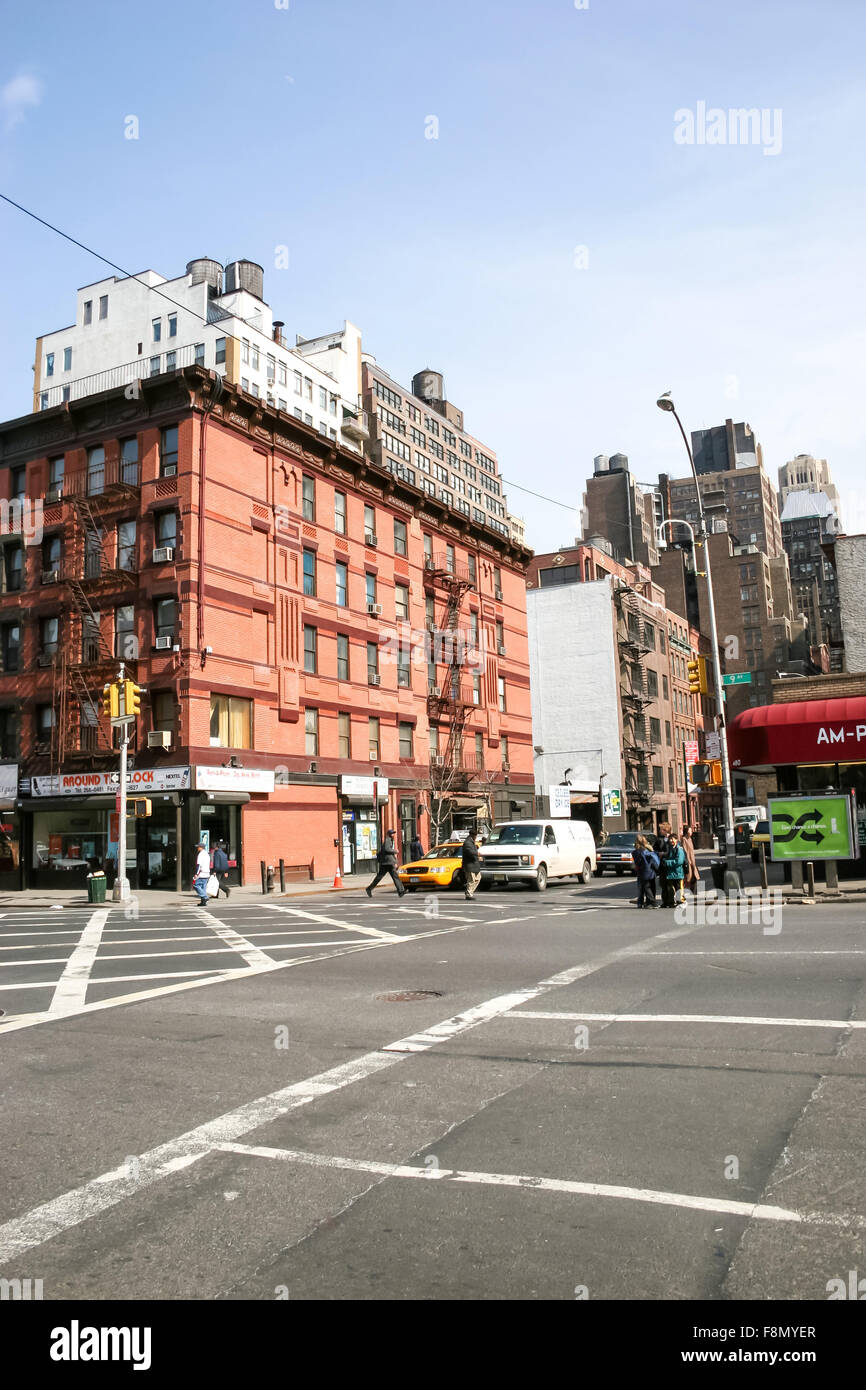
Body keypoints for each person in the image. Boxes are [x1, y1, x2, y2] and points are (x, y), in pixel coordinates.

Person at [366, 830, 405, 898]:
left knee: (394, 876)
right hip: (387, 862)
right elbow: (387, 849)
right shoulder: (388, 840)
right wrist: (395, 851)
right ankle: (369, 889)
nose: (393, 835)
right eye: (392, 833)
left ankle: (401, 891)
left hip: (389, 862)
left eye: (393, 833)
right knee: (380, 877)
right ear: (389, 834)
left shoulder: (390, 840)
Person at [631, 835, 660, 908]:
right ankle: (651, 902)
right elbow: (653, 861)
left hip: (642, 871)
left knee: (644, 888)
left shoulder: (635, 852)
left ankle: (645, 902)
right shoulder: (648, 851)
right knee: (651, 887)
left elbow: (637, 863)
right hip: (651, 871)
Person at [661, 832, 686, 908]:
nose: (671, 840)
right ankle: (672, 902)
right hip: (671, 873)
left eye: (673, 839)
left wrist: (667, 862)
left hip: (678, 873)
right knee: (672, 889)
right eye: (670, 839)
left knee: (679, 888)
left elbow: (679, 861)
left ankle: (681, 902)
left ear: (677, 840)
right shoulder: (671, 848)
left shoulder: (679, 849)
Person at [461, 833, 484, 900]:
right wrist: (477, 854)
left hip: (474, 864)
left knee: (478, 878)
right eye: (476, 836)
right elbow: (469, 852)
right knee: (471, 880)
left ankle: (469, 891)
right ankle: (469, 894)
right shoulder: (467, 842)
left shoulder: (471, 842)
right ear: (473, 835)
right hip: (469, 864)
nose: (476, 837)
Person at [680, 826, 700, 896]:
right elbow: (685, 851)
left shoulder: (690, 839)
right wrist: (688, 862)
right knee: (688, 878)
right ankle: (685, 893)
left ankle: (693, 892)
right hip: (688, 862)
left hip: (692, 861)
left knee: (694, 877)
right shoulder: (684, 839)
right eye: (690, 831)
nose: (691, 832)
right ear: (687, 832)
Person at [193, 841, 212, 906]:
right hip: (207, 873)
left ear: (201, 847)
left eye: (198, 847)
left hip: (202, 873)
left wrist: (196, 873)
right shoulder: (207, 854)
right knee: (203, 887)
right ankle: (203, 902)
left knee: (196, 885)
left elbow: (199, 865)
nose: (197, 848)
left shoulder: (200, 854)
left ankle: (205, 897)